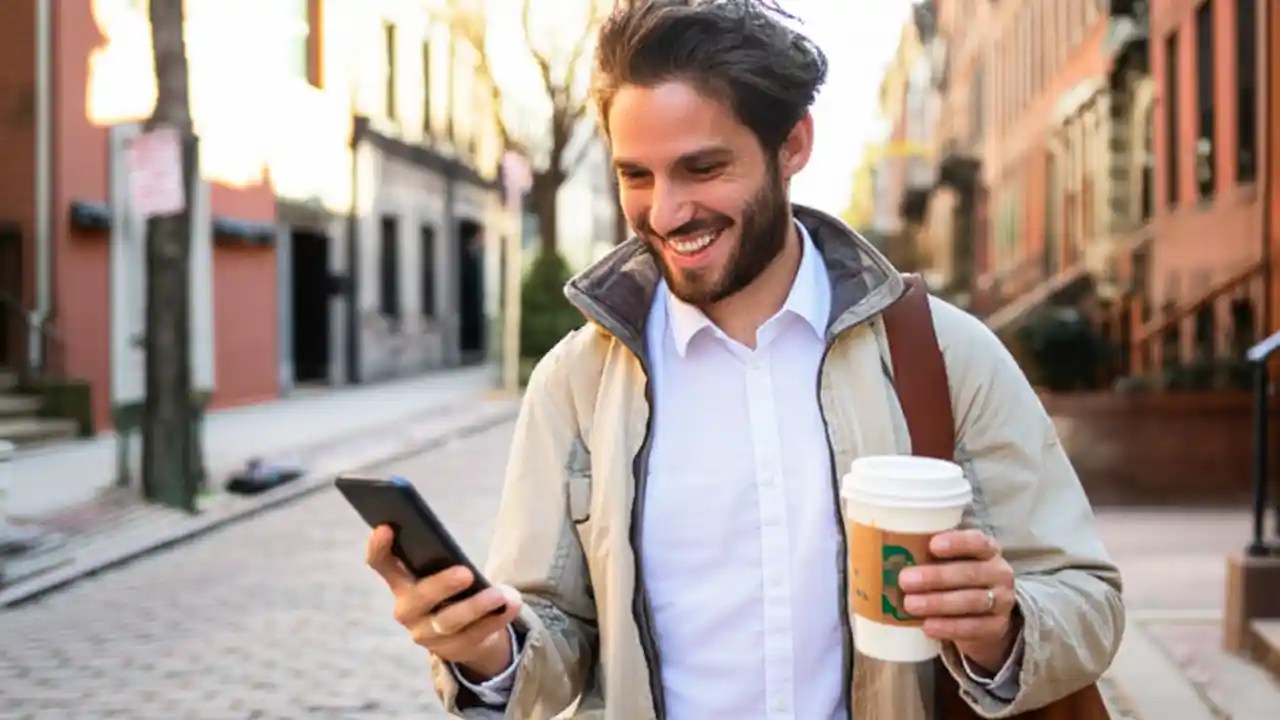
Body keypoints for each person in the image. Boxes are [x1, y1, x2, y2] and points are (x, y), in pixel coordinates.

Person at [364, 1, 1125, 718]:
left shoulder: (942, 353)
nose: (665, 212)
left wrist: (999, 628)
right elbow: (554, 638)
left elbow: (1086, 598)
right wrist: (485, 648)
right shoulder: (576, 382)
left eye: (702, 169)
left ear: (792, 144)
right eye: (637, 175)